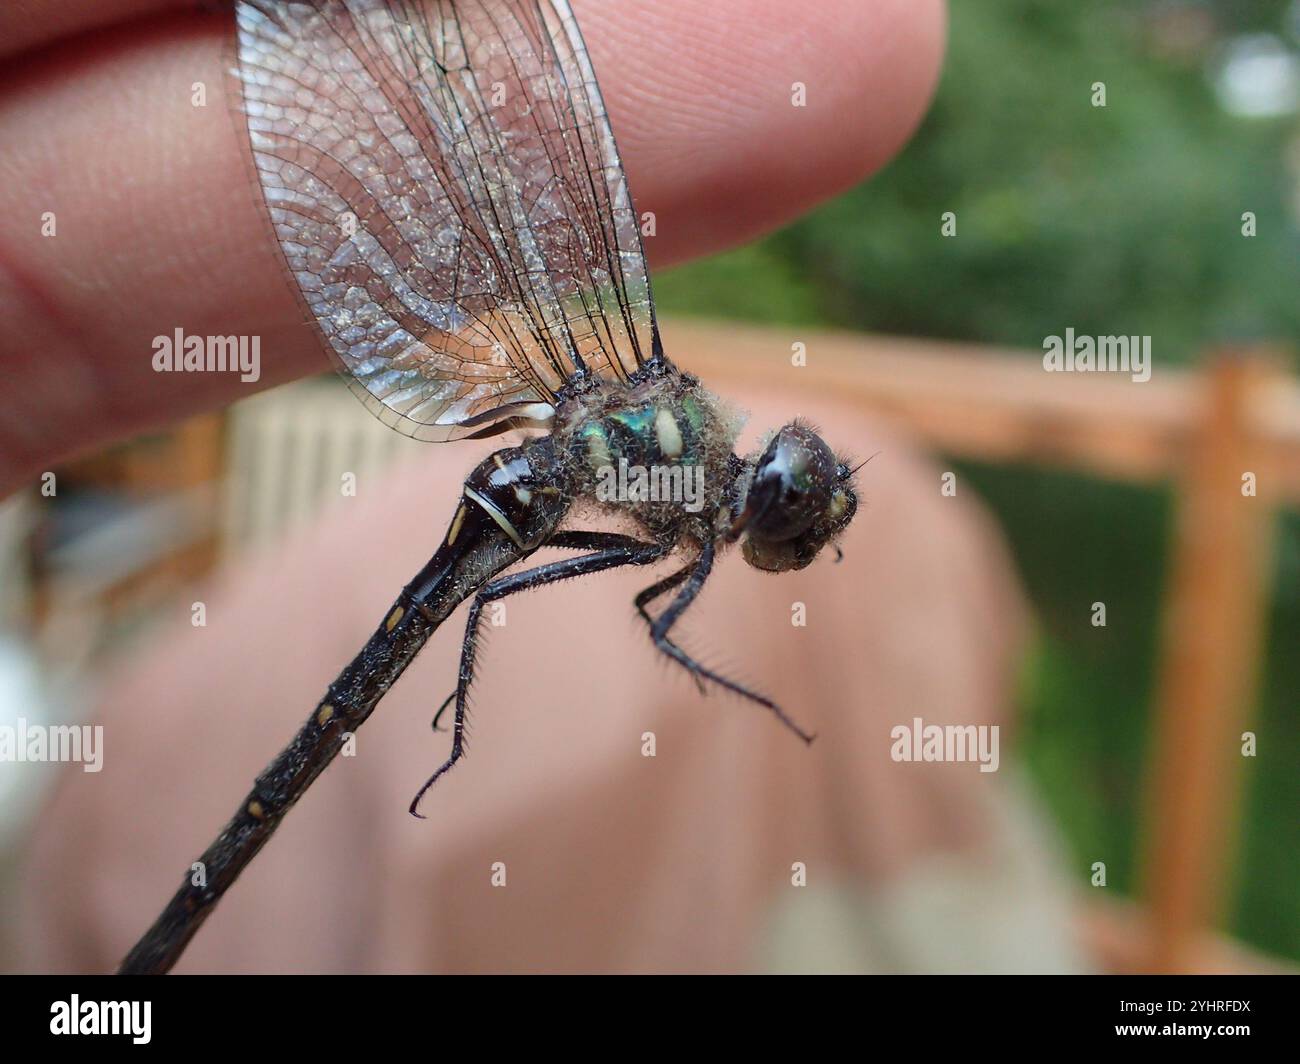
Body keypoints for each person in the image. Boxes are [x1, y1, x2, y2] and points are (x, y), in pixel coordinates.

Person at [12, 1, 1091, 973]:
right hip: (510, 502)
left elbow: (633, 607)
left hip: (524, 480)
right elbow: (635, 620)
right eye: (789, 506)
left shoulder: (680, 486)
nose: (792, 517)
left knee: (483, 597)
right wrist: (750, 698)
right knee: (457, 612)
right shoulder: (693, 510)